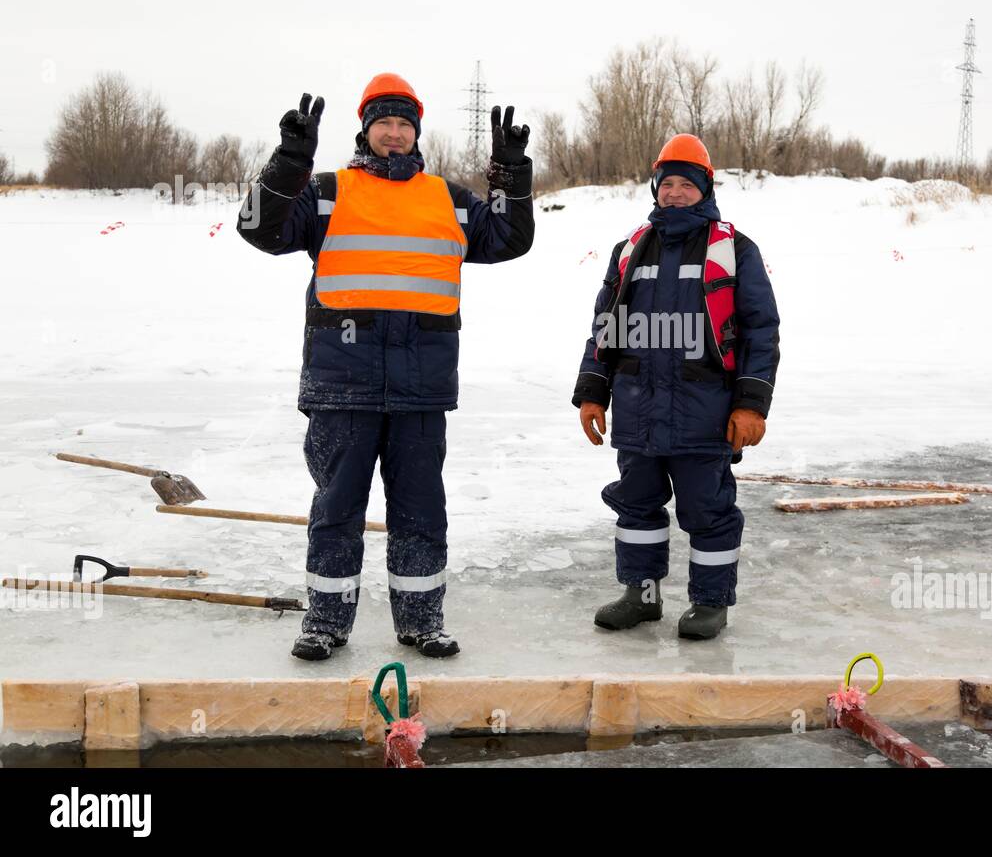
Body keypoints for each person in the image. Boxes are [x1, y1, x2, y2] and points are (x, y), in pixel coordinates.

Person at [237, 73, 534, 660]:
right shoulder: (325, 191)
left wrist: (509, 175)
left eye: (404, 125)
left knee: (421, 512)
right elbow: (257, 228)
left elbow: (510, 237)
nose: (394, 135)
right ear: (365, 130)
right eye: (384, 124)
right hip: (342, 386)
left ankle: (422, 620)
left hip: (421, 390)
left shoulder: (447, 199)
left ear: (416, 133)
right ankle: (325, 622)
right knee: (337, 511)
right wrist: (290, 160)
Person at [571, 134, 780, 640]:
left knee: (707, 510)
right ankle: (640, 597)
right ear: (655, 188)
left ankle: (710, 603)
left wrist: (751, 404)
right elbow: (606, 326)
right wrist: (593, 391)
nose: (676, 193)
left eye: (688, 184)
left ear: (705, 189)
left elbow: (760, 330)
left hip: (704, 412)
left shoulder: (734, 249)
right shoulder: (628, 250)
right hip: (638, 410)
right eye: (668, 184)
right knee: (636, 504)